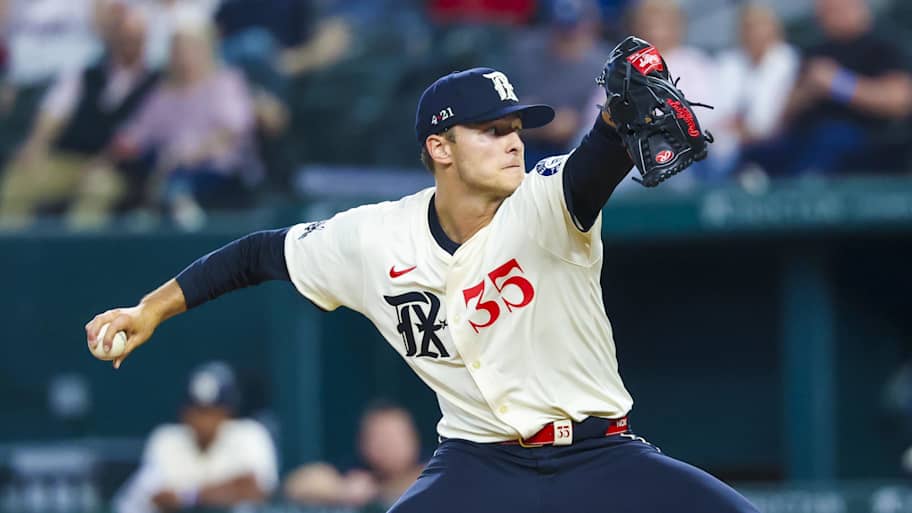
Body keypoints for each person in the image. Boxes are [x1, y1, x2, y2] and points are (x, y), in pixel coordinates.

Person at [87, 62, 758, 512]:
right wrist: (153, 308)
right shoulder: (374, 239)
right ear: (441, 147)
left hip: (598, 453)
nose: (513, 142)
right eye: (492, 130)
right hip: (477, 467)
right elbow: (259, 254)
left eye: (517, 128)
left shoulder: (547, 201)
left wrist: (615, 121)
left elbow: (594, 162)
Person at [0, 3, 159, 229]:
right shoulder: (85, 74)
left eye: (135, 39)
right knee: (17, 181)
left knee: (97, 190)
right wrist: (36, 146)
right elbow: (56, 110)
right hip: (70, 160)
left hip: (115, 169)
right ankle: (9, 256)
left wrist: (106, 160)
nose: (129, 44)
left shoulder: (157, 82)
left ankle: (74, 259)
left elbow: (142, 133)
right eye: (123, 38)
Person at [113, 361, 278, 513]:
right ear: (184, 412)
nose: (204, 421)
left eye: (212, 411)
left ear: (228, 412)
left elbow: (254, 491)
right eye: (198, 411)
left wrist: (188, 496)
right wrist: (228, 488)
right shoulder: (166, 440)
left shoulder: (250, 435)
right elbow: (159, 496)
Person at [284, 401, 424, 510]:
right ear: (363, 442)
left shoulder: (433, 464)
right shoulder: (356, 468)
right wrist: (342, 491)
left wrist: (379, 492)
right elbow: (296, 485)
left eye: (395, 437)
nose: (388, 446)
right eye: (381, 438)